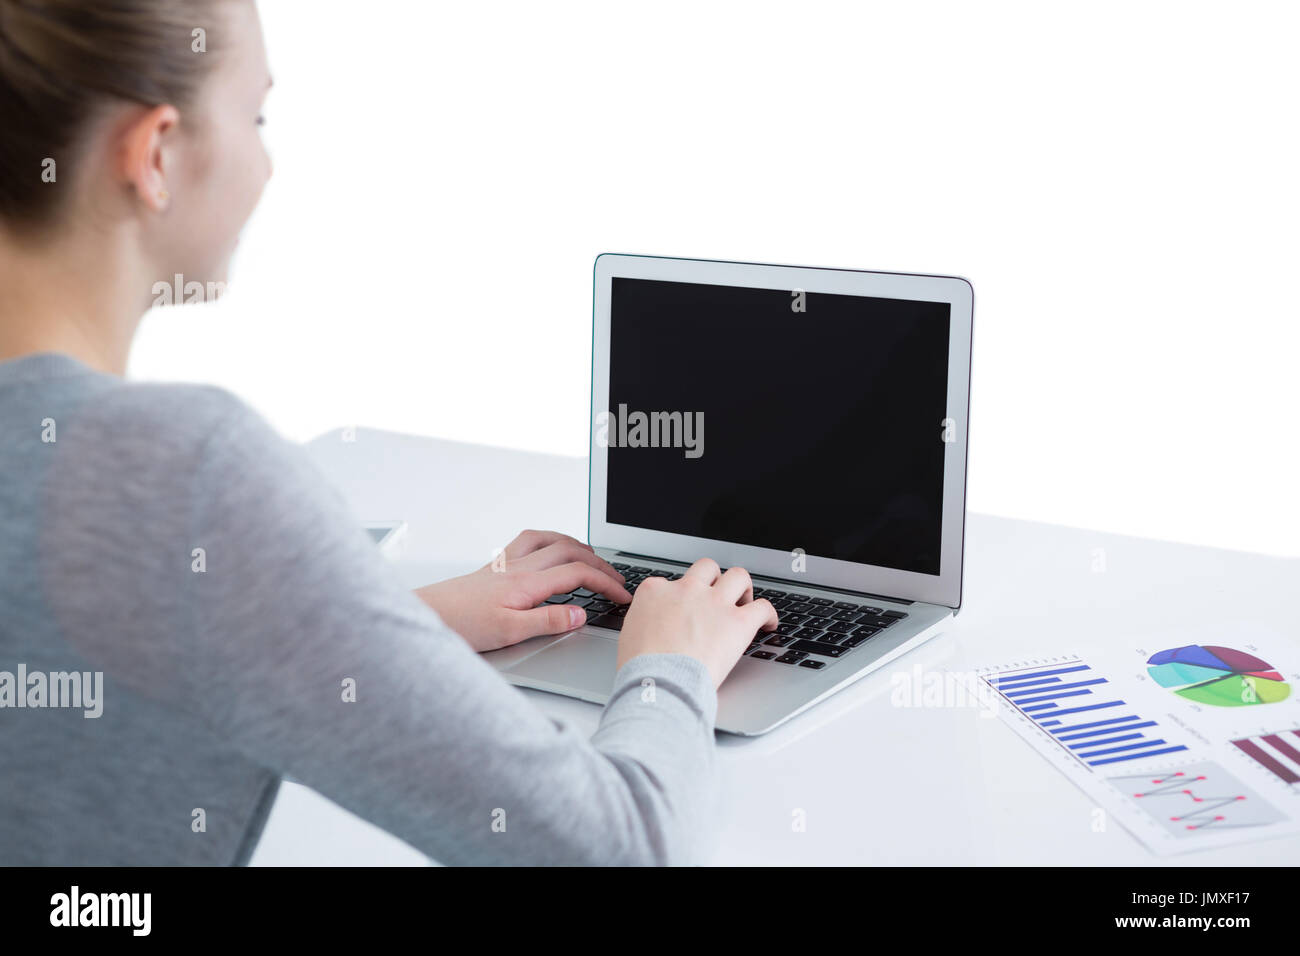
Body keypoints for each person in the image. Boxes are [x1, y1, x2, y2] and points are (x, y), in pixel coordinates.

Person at [0, 0, 776, 865]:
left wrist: (375, 623)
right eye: (254, 116)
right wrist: (673, 666)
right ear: (154, 156)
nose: (265, 161)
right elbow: (624, 848)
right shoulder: (185, 476)